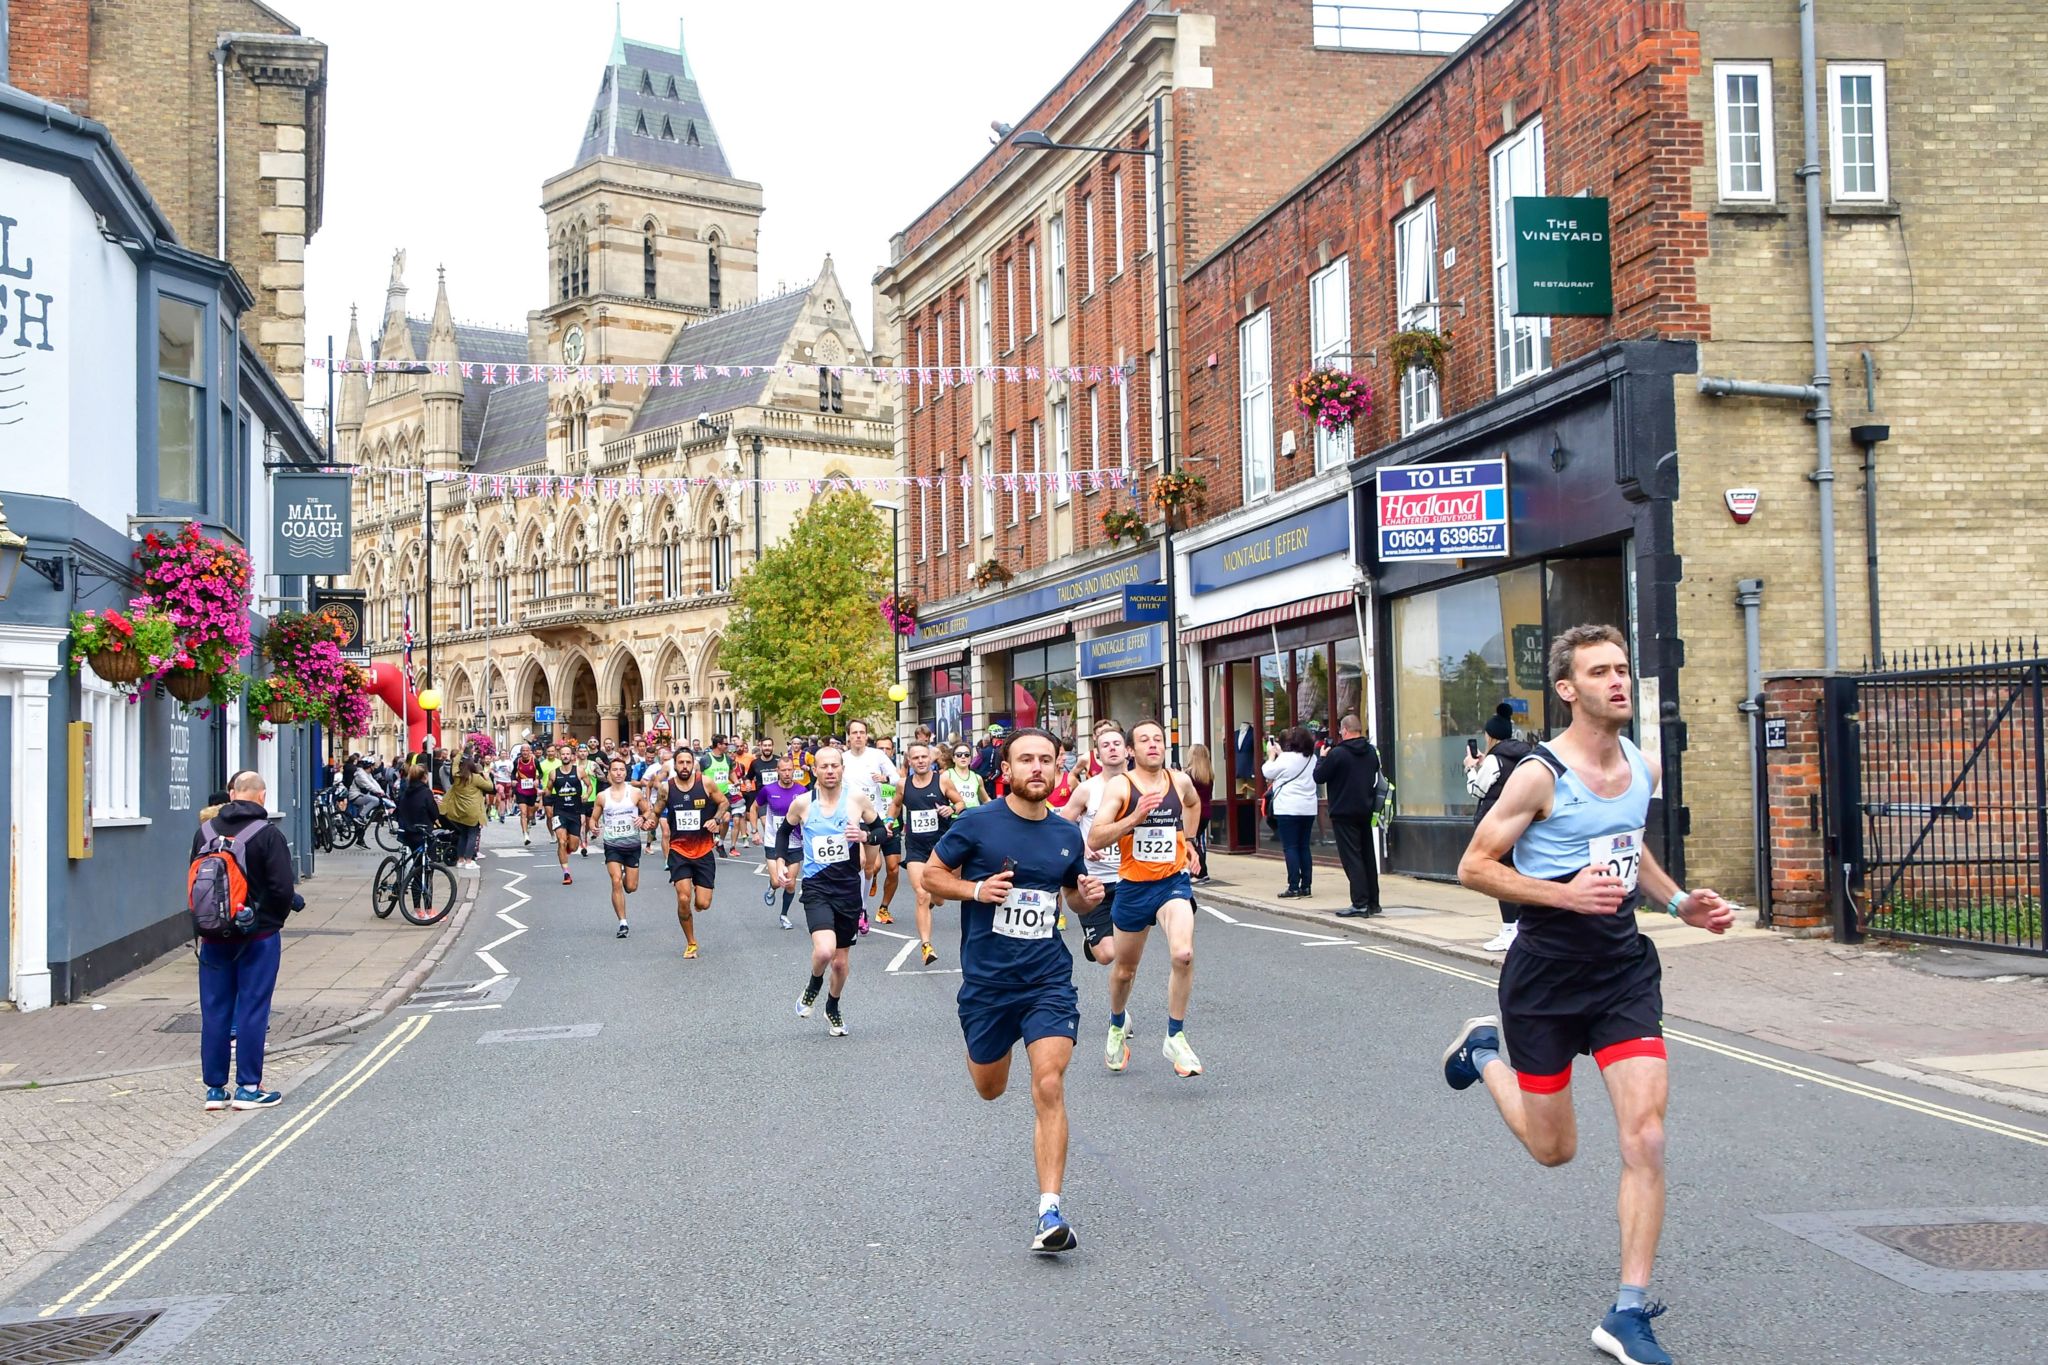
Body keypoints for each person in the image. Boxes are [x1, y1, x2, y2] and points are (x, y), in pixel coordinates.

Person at [1443, 625, 1735, 1365]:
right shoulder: (1540, 775)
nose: (1616, 680)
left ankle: (1628, 1311)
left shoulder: (1643, 762)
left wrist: (1676, 905)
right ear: (1567, 689)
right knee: (1555, 1149)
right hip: (1543, 976)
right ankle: (1483, 1054)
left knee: (1648, 1135)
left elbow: (1631, 850)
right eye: (1599, 671)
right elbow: (1475, 866)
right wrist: (1562, 895)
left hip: (1621, 972)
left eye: (1622, 668)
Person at [922, 727, 1105, 1255]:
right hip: (987, 984)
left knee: (1048, 1083)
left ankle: (1050, 1209)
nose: (1038, 768)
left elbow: (1072, 896)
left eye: (1047, 760)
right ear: (1007, 768)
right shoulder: (978, 824)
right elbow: (932, 878)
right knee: (990, 1087)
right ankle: (985, 1051)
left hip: (1047, 978)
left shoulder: (1066, 834)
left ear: (1059, 768)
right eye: (1027, 759)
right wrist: (975, 889)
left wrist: (1087, 897)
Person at [1088, 719, 1205, 1077]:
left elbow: (1193, 802)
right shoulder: (1121, 788)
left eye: (1158, 739)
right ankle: (1116, 1024)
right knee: (1124, 971)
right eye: (1144, 740)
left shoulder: (1179, 780)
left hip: (1172, 883)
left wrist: (1187, 841)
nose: (1153, 744)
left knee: (1183, 954)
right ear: (1131, 751)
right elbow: (1095, 838)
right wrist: (1135, 818)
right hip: (1133, 888)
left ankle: (1175, 1035)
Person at [191, 770, 304, 1111]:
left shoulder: (204, 832)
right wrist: (270, 918)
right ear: (261, 796)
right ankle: (248, 1088)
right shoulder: (267, 834)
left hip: (212, 936)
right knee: (253, 1009)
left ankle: (214, 1090)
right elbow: (282, 888)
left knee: (214, 1011)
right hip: (257, 937)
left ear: (232, 794)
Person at [770, 746, 884, 1037]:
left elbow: (883, 831)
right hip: (817, 886)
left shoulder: (856, 800)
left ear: (842, 769)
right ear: (815, 770)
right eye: (824, 766)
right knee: (824, 951)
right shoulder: (803, 803)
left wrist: (865, 836)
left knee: (841, 963)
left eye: (835, 765)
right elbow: (784, 832)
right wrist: (781, 861)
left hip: (848, 889)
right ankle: (813, 984)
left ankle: (832, 1007)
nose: (830, 771)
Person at [1057, 723, 1130, 970]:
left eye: (1117, 744)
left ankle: (1120, 1004)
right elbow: (1063, 827)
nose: (1112, 749)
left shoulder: (1140, 785)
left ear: (1127, 750)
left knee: (1128, 952)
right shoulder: (1087, 789)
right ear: (1097, 754)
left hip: (1130, 879)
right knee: (1106, 955)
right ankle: (1093, 942)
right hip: (1095, 879)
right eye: (1105, 745)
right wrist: (1083, 847)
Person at [1465, 703, 1536, 952]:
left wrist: (1471, 768)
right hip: (1522, 822)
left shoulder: (1495, 759)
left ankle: (1508, 931)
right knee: (1517, 873)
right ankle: (1521, 928)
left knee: (1500, 876)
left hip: (1497, 822)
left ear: (1491, 735)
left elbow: (1477, 789)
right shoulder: (1523, 755)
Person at [893, 740, 963, 966]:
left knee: (939, 899)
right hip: (915, 847)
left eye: (924, 757)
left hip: (940, 848)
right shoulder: (903, 784)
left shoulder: (942, 780)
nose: (921, 761)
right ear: (910, 761)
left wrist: (951, 808)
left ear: (930, 759)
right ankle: (926, 945)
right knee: (922, 894)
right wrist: (886, 821)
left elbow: (960, 802)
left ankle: (933, 902)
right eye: (916, 758)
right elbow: (895, 806)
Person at [660, 747, 727, 956]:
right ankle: (691, 943)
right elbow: (654, 812)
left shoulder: (705, 783)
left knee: (703, 903)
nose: (685, 766)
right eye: (681, 763)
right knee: (683, 898)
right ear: (674, 765)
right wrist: (647, 821)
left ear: (693, 764)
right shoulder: (667, 788)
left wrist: (716, 820)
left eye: (688, 762)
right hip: (679, 850)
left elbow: (724, 802)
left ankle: (697, 904)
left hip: (704, 849)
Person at [1315, 714, 1384, 918]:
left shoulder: (1338, 754)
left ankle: (1360, 903)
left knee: (1352, 858)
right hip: (1365, 810)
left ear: (1344, 730)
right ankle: (1373, 902)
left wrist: (1322, 758)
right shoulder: (1371, 752)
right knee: (1367, 857)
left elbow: (1319, 776)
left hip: (1344, 813)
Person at [841, 720, 902, 930]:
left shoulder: (877, 756)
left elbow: (897, 778)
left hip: (872, 817)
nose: (858, 736)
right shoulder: (842, 759)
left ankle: (863, 907)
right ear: (848, 736)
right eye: (854, 733)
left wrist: (884, 778)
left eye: (862, 732)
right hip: (851, 818)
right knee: (859, 861)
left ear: (867, 736)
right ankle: (856, 907)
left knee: (869, 868)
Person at [592, 757, 655, 940]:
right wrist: (594, 826)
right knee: (616, 881)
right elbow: (593, 818)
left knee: (631, 886)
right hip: (612, 844)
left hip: (632, 844)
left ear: (625, 773)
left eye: (621, 770)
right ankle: (623, 922)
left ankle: (628, 878)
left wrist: (642, 819)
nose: (618, 773)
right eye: (615, 770)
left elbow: (648, 811)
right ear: (609, 773)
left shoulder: (634, 793)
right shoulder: (602, 796)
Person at [1263, 726, 1321, 898]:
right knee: (1304, 846)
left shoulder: (1286, 758)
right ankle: (1306, 886)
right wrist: (1281, 754)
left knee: (1290, 847)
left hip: (1288, 807)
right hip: (1308, 808)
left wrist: (1271, 756)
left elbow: (1267, 771)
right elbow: (1292, 765)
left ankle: (1293, 886)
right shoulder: (1312, 758)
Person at [758, 754, 805, 929]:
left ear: (794, 771)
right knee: (778, 881)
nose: (786, 773)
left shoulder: (801, 791)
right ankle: (772, 888)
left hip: (794, 843)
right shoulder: (768, 790)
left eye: (789, 770)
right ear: (777, 771)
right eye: (783, 770)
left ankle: (784, 915)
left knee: (790, 883)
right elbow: (755, 807)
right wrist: (756, 829)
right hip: (773, 841)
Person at [543, 747, 594, 886]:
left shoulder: (579, 771)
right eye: (563, 754)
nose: (565, 756)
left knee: (573, 846)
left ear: (572, 756)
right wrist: (543, 796)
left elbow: (589, 786)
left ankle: (565, 851)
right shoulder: (554, 773)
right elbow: (548, 789)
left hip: (575, 812)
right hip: (559, 811)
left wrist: (586, 795)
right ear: (560, 756)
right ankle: (566, 873)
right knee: (561, 841)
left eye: (568, 754)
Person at [441, 752, 495, 869]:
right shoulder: (475, 778)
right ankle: (469, 861)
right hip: (473, 811)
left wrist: (460, 753)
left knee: (463, 835)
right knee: (472, 835)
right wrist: (487, 777)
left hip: (460, 811)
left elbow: (454, 764)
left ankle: (460, 860)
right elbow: (490, 787)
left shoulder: (457, 777)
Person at [1184, 742, 1216, 884]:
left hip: (1193, 812)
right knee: (1200, 842)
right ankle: (1201, 871)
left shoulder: (1188, 774)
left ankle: (1200, 872)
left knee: (1191, 841)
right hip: (1206, 811)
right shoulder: (1209, 774)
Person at [511, 745, 542, 845]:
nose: (525, 752)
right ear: (521, 752)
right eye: (523, 751)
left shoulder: (535, 761)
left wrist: (537, 779)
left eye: (526, 751)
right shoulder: (517, 761)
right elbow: (513, 773)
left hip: (532, 790)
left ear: (530, 751)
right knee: (523, 813)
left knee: (529, 814)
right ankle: (525, 835)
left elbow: (541, 773)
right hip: (520, 790)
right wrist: (513, 780)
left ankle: (527, 825)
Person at [950, 742, 989, 809]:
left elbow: (986, 800)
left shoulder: (977, 778)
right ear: (953, 758)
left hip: (974, 816)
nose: (963, 757)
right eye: (959, 754)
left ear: (970, 758)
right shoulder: (947, 775)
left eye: (967, 754)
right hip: (955, 817)